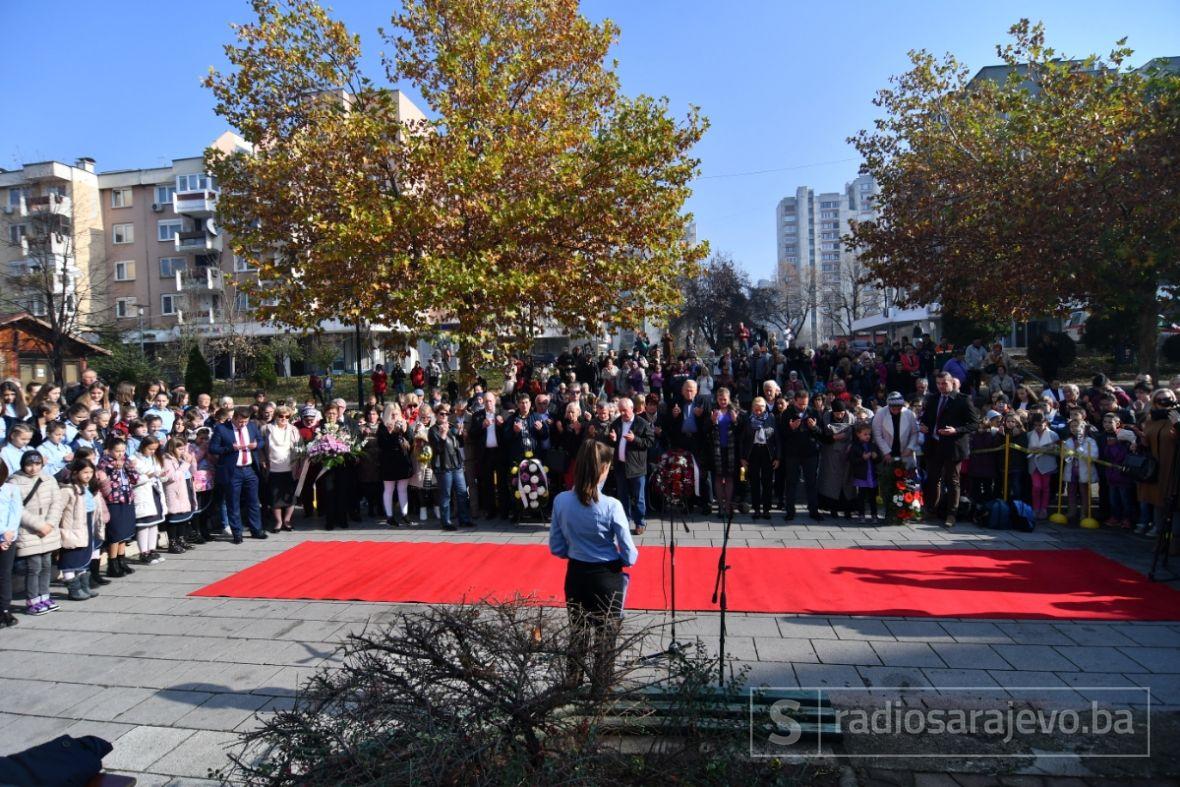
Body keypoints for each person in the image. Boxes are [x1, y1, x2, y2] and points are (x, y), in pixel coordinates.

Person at [548, 440, 638, 695]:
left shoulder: (561, 501)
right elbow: (630, 554)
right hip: (607, 577)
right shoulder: (612, 506)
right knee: (605, 640)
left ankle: (572, 683)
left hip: (576, 574)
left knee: (578, 635)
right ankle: (600, 689)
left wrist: (576, 551)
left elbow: (556, 547)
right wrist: (619, 560)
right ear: (604, 469)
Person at [918, 372, 979, 527]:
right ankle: (931, 510)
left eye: (944, 383)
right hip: (934, 445)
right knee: (933, 479)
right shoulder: (932, 399)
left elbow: (974, 424)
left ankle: (952, 514)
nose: (941, 386)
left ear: (952, 383)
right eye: (938, 383)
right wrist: (923, 426)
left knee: (952, 480)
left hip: (953, 446)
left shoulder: (963, 400)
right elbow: (925, 419)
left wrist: (956, 430)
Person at [11, 451, 63, 615]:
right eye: (29, 464)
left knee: (47, 565)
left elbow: (57, 503)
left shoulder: (49, 479)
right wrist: (38, 525)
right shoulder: (14, 482)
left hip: (48, 530)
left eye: (37, 464)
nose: (34, 468)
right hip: (28, 531)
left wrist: (49, 523)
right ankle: (32, 600)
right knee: (33, 567)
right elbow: (17, 509)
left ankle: (44, 596)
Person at [210, 407, 266, 544]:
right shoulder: (221, 429)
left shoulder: (252, 426)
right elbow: (213, 448)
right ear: (234, 418)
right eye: (240, 422)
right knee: (233, 503)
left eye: (245, 422)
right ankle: (237, 533)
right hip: (233, 471)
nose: (243, 425)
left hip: (250, 469)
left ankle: (256, 530)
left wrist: (256, 445)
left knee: (253, 501)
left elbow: (262, 441)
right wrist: (230, 448)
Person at [57, 459, 107, 601]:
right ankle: (73, 589)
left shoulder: (87, 487)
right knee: (71, 558)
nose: (88, 475)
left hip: (88, 525)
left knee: (84, 557)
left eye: (91, 472)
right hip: (73, 528)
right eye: (85, 472)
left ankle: (84, 586)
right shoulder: (68, 489)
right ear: (75, 472)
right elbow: (58, 509)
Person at [607, 396, 654, 536]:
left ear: (632, 409)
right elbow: (611, 443)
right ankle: (625, 521)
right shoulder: (616, 423)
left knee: (638, 497)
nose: (622, 414)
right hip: (620, 466)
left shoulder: (642, 423)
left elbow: (650, 442)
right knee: (623, 496)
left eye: (624, 411)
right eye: (620, 411)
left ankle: (640, 522)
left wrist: (635, 439)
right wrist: (613, 440)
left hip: (636, 467)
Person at [778, 389, 822, 522]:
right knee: (791, 482)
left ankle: (813, 510)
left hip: (810, 453)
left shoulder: (813, 412)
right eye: (801, 404)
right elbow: (782, 434)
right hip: (793, 453)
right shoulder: (787, 413)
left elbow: (821, 433)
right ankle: (790, 511)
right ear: (795, 401)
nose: (803, 406)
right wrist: (791, 428)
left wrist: (814, 427)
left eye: (805, 404)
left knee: (811, 482)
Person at [97, 439, 138, 578]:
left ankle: (122, 560)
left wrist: (129, 467)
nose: (120, 454)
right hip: (114, 500)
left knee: (124, 533)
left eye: (122, 450)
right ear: (109, 450)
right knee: (116, 533)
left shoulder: (126, 461)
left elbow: (135, 478)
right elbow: (104, 480)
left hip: (127, 498)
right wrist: (115, 469)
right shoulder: (104, 462)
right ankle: (112, 563)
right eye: (117, 451)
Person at [261, 406, 303, 532]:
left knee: (290, 496)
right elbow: (260, 447)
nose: (284, 419)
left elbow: (301, 448)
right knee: (274, 497)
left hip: (291, 468)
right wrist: (262, 460)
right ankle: (278, 522)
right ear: (276, 416)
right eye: (281, 416)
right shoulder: (266, 429)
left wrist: (300, 464)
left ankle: (287, 520)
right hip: (273, 468)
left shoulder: (294, 430)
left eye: (287, 417)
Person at [430, 410, 473, 531]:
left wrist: (460, 433)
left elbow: (460, 444)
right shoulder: (433, 430)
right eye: (441, 414)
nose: (444, 416)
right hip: (443, 467)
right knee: (446, 495)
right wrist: (443, 435)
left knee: (462, 493)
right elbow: (438, 450)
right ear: (436, 416)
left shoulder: (452, 427)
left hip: (456, 465)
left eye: (446, 414)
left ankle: (464, 519)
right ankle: (446, 522)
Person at [741, 396, 780, 520]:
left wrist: (778, 457)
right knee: (754, 482)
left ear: (765, 408)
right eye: (756, 409)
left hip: (767, 452)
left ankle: (766, 509)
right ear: (752, 408)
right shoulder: (747, 419)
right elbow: (742, 440)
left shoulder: (771, 418)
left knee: (767, 481)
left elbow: (777, 439)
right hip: (753, 452)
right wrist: (742, 457)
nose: (758, 412)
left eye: (761, 409)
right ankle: (757, 509)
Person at [130, 436, 167, 565]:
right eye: (150, 449)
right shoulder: (133, 459)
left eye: (155, 449)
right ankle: (143, 552)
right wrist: (148, 476)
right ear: (143, 446)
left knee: (153, 524)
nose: (152, 452)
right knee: (144, 526)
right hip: (143, 494)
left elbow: (159, 475)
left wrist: (162, 475)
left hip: (155, 492)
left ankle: (152, 550)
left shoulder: (154, 458)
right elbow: (133, 480)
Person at [1026, 412, 1060, 521]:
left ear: (1046, 424)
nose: (1037, 427)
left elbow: (1058, 451)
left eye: (1040, 425)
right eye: (1035, 425)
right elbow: (1025, 449)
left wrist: (1045, 450)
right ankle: (1035, 507)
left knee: (1045, 487)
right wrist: (1031, 450)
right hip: (1034, 464)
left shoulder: (1053, 435)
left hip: (1047, 464)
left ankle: (1043, 508)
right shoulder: (1029, 434)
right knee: (1036, 486)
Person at [0, 463, 21, 627]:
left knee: (5, 575)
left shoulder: (11, 489)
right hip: (2, 535)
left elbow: (16, 512)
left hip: (8, 538)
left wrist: (9, 534)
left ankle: (4, 609)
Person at [848, 422, 881, 522]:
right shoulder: (855, 446)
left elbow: (878, 459)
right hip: (861, 476)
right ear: (858, 434)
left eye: (869, 434)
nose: (868, 436)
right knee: (861, 497)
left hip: (872, 476)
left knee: (872, 497)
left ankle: (874, 514)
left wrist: (876, 457)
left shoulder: (873, 445)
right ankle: (861, 514)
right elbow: (852, 460)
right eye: (865, 434)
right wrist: (862, 458)